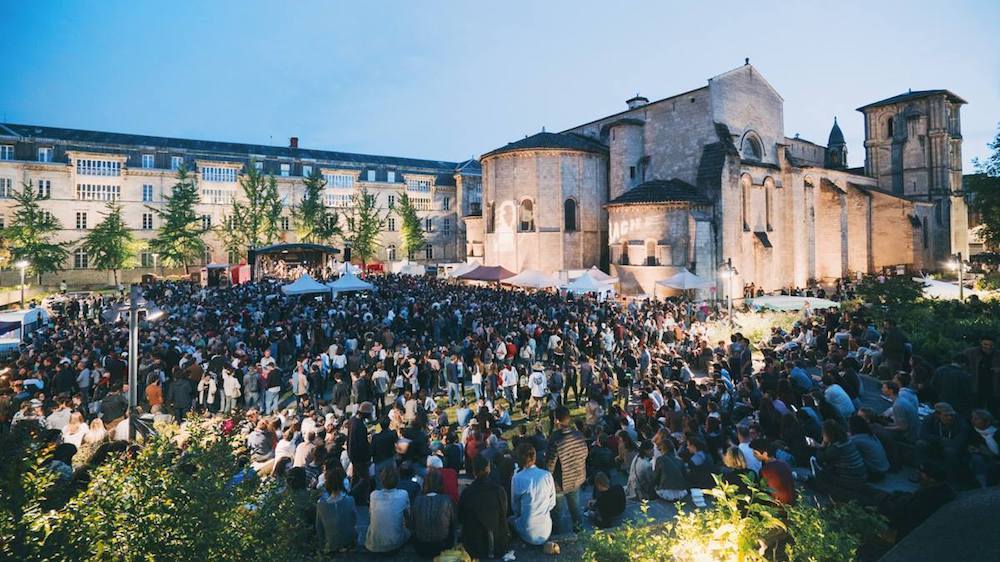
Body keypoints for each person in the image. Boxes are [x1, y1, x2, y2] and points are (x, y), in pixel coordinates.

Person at [545, 405, 588, 534]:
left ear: (556, 420)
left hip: (559, 483)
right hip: (576, 478)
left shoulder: (556, 438)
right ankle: (580, 532)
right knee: (575, 509)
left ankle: (557, 536)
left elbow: (550, 465)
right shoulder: (577, 435)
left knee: (557, 513)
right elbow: (585, 453)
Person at [458, 455, 510, 560]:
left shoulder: (467, 493)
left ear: (474, 471)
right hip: (497, 544)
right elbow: (504, 513)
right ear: (488, 468)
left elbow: (461, 518)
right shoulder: (499, 490)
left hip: (473, 546)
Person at [509, 442, 556, 546]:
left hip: (528, 532)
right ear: (534, 457)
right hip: (546, 530)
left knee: (510, 519)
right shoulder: (547, 475)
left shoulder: (517, 478)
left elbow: (515, 507)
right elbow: (552, 503)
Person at [813, 419, 868, 500]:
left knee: (821, 476)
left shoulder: (836, 448)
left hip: (853, 479)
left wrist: (823, 444)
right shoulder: (847, 440)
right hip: (862, 474)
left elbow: (820, 458)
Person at [410, 469, 457, 557]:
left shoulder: (418, 500)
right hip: (443, 546)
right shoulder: (447, 500)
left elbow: (412, 525)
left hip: (421, 548)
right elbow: (453, 523)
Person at [365, 465, 410, 553]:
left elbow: (370, 515)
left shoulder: (373, 495)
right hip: (395, 543)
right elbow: (408, 516)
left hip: (373, 544)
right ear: (398, 479)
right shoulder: (403, 494)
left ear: (381, 480)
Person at [316, 466, 357, 555]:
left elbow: (319, 528)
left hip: (330, 544)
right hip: (348, 542)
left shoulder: (320, 505)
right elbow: (354, 521)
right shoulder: (350, 500)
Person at [750, 439, 796, 505]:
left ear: (765, 453)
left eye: (755, 453)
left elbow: (763, 492)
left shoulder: (765, 470)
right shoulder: (783, 464)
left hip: (777, 505)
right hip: (790, 503)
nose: (754, 455)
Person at [848, 415, 890, 482]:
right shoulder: (870, 435)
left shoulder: (856, 440)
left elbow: (847, 443)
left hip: (875, 474)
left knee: (849, 454)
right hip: (884, 469)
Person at [966, 336, 1000, 414]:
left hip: (993, 389)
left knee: (993, 412)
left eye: (991, 345)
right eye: (985, 344)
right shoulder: (970, 353)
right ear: (981, 343)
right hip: (975, 388)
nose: (988, 347)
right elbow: (961, 363)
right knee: (975, 411)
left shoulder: (998, 355)